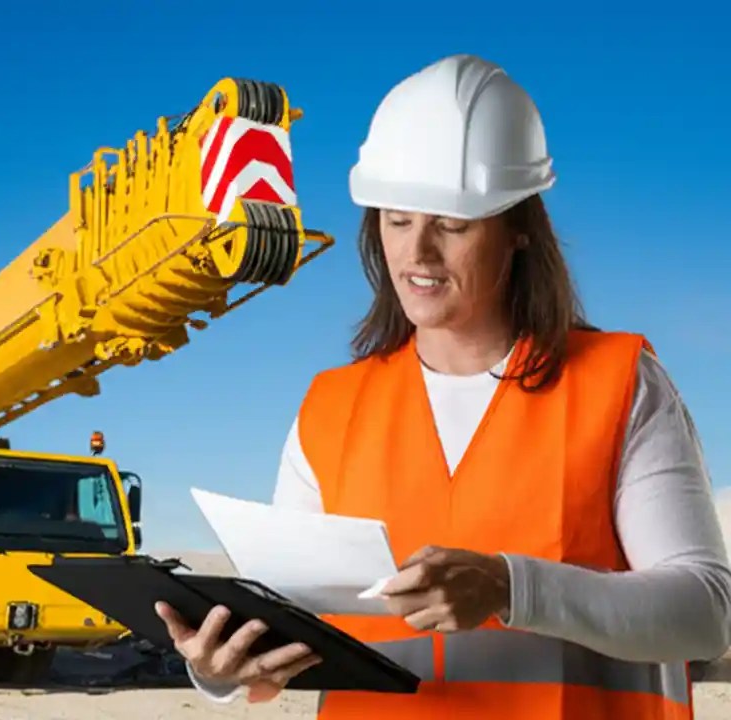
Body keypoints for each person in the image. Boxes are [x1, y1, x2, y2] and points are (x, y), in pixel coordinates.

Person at [154, 53, 731, 719]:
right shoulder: (331, 410)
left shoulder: (617, 383)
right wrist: (219, 669)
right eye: (397, 220)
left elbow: (705, 614)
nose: (417, 253)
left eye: (452, 224)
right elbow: (285, 634)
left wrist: (511, 587)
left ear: (519, 229)